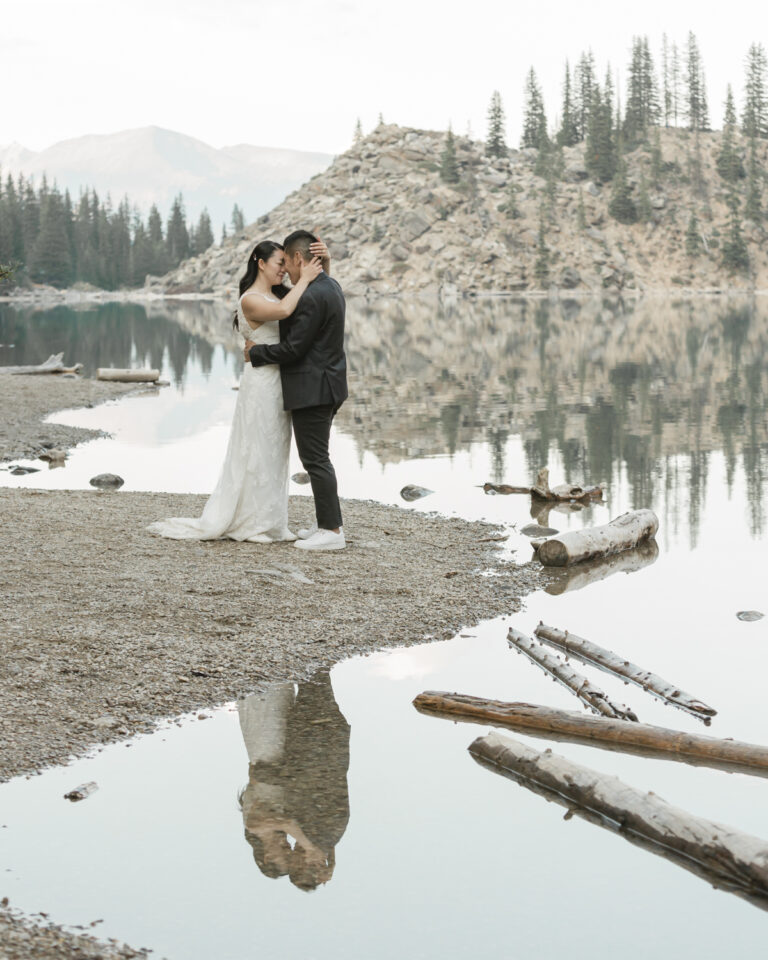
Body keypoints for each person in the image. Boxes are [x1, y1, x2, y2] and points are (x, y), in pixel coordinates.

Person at [146, 236, 328, 542]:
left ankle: (271, 521)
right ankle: (250, 522)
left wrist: (322, 262)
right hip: (261, 383)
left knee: (274, 449)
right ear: (261, 263)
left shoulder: (276, 293)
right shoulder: (250, 299)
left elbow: (303, 306)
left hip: (278, 380)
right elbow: (285, 311)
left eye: (286, 263)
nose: (284, 269)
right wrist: (305, 278)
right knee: (257, 447)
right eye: (279, 263)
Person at [245, 230, 348, 552]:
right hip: (327, 383)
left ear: (299, 259)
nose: (286, 271)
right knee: (316, 457)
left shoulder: (312, 295)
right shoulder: (328, 285)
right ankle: (323, 525)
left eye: (288, 263)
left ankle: (332, 531)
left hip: (314, 387)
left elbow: (293, 350)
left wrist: (256, 354)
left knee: (316, 459)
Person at [238, 674, 351, 891]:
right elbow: (302, 792)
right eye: (295, 855)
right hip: (307, 742)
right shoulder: (319, 833)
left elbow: (282, 815)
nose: (290, 846)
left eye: (287, 854)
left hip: (288, 745)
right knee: (304, 681)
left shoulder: (262, 828)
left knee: (296, 684)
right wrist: (321, 853)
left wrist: (312, 848)